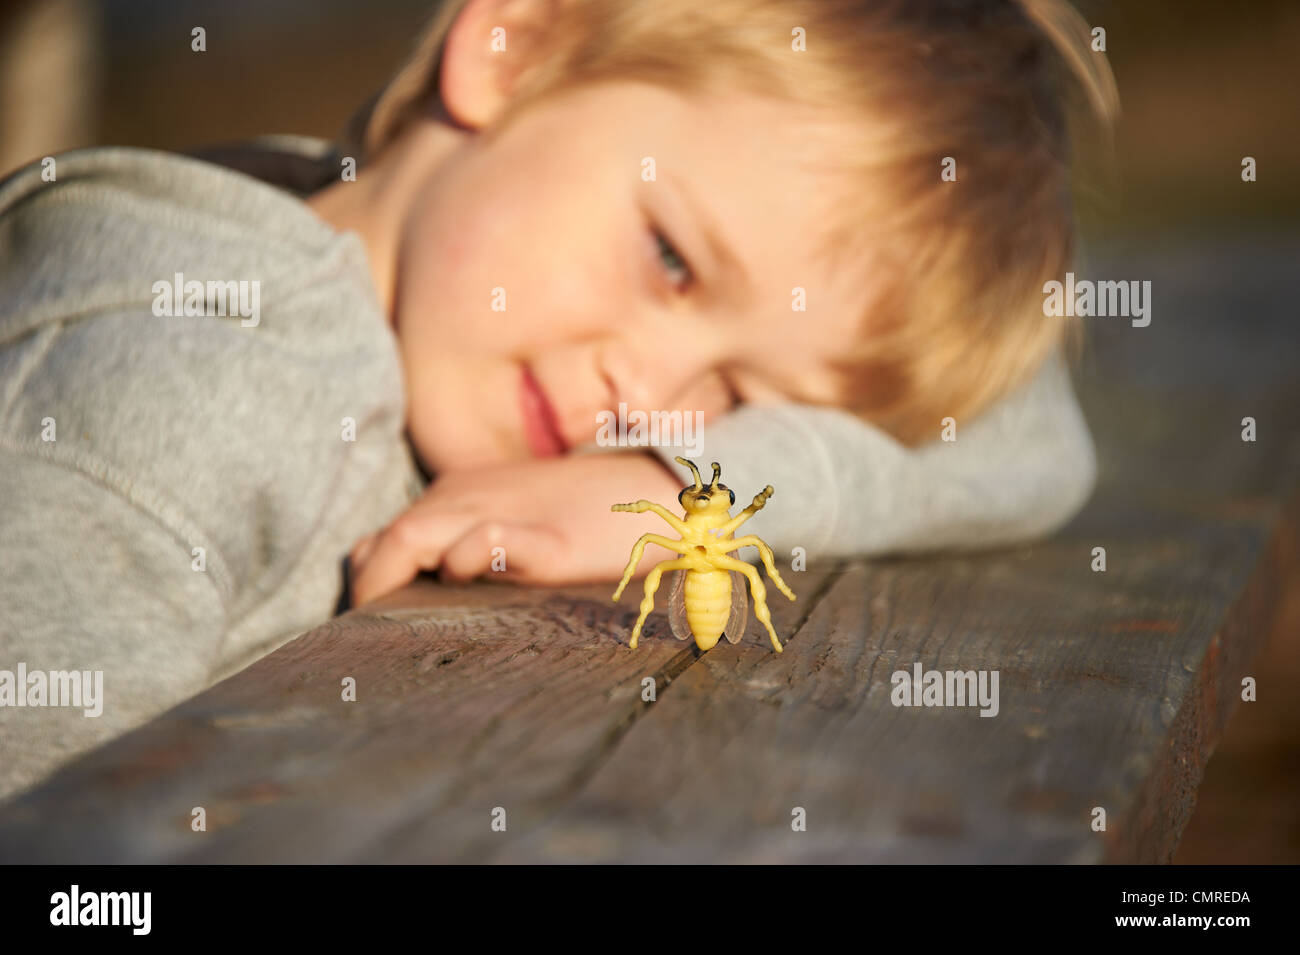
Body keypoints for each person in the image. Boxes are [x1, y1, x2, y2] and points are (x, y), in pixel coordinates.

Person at [0, 0, 1115, 801]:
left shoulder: (349, 250)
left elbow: (1029, 433)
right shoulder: (180, 388)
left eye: (735, 398)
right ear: (517, 41)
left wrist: (661, 480)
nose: (654, 398)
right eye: (673, 261)